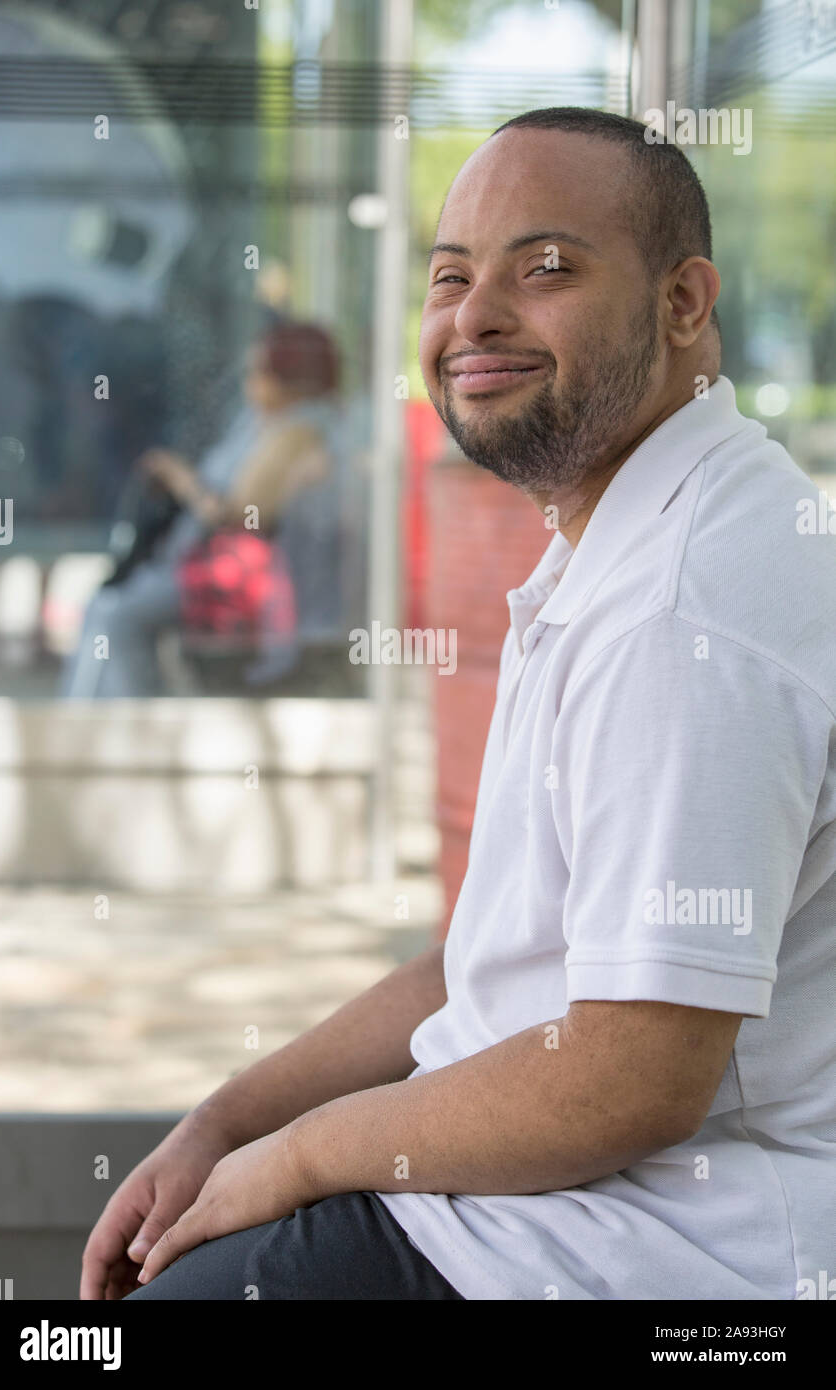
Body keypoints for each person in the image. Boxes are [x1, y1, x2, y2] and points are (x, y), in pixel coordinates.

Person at [82, 106, 836, 1301]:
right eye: (448, 276)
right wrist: (223, 1124)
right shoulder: (620, 547)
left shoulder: (679, 612)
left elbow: (619, 1080)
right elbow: (475, 972)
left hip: (606, 1254)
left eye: (543, 270)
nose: (472, 316)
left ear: (683, 302)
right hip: (501, 1213)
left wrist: (299, 1160)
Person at [61, 321, 343, 697]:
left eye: (259, 371)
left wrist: (181, 480)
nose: (250, 382)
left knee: (117, 616)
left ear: (288, 377)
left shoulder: (299, 431)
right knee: (104, 605)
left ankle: (127, 723)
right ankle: (89, 712)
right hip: (203, 562)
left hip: (235, 577)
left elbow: (241, 514)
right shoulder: (262, 423)